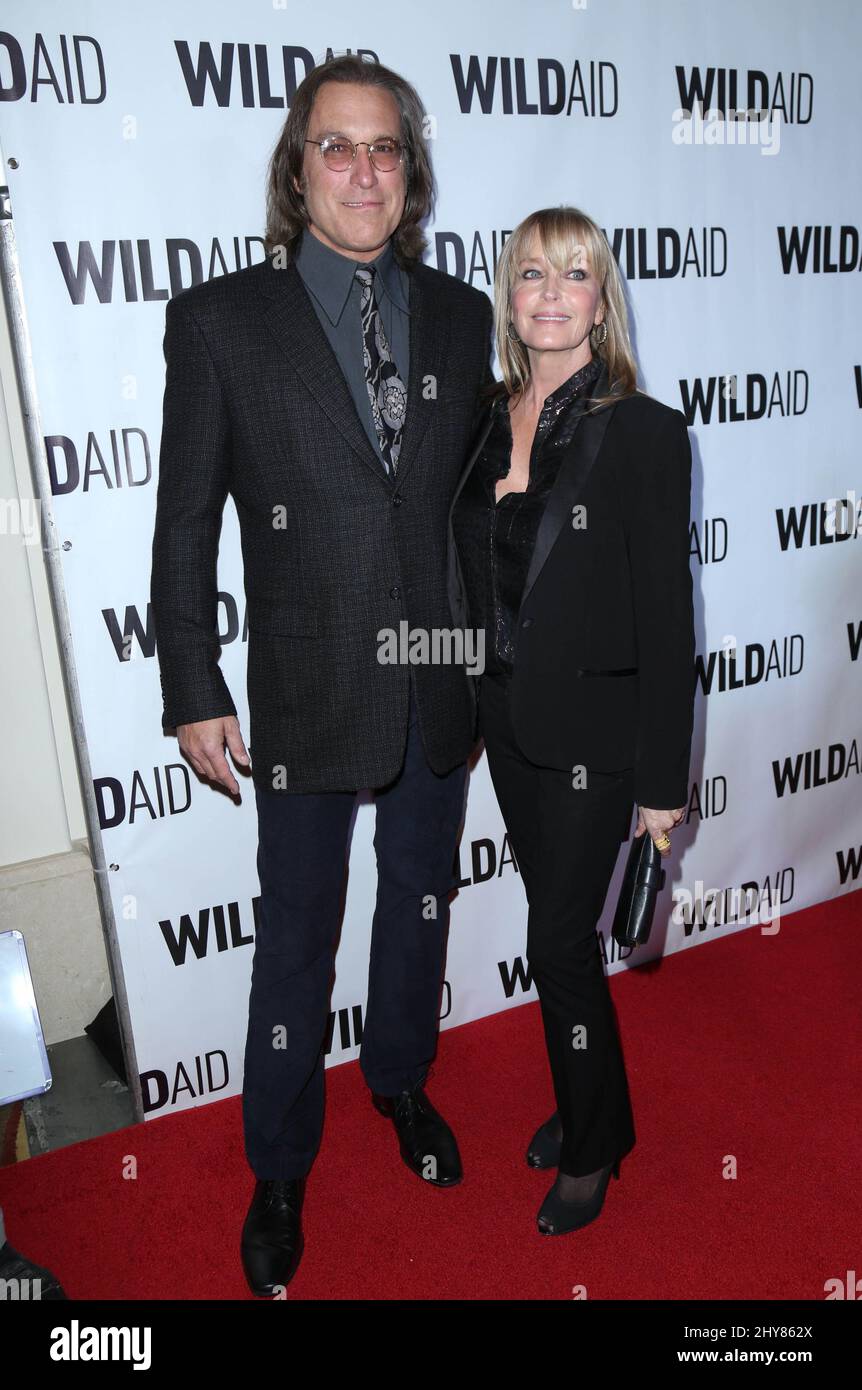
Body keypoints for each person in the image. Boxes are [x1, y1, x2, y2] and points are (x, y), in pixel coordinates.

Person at [150, 54, 494, 1295]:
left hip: (436, 672)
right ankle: (280, 1164)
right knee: (295, 936)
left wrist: (490, 654)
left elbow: (468, 511)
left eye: (386, 147)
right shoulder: (220, 321)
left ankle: (399, 1082)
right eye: (336, 147)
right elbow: (185, 518)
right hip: (303, 680)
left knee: (417, 900)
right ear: (298, 170)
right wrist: (191, 679)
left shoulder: (461, 314)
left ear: (412, 170)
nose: (363, 170)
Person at [450, 206, 695, 1235]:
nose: (550, 294)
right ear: (510, 295)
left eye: (574, 275)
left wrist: (659, 785)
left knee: (556, 942)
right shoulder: (482, 414)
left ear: (602, 301)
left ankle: (594, 1144)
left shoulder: (642, 429)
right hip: (505, 718)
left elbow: (667, 614)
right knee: (557, 939)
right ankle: (596, 1102)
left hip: (599, 735)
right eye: (531, 274)